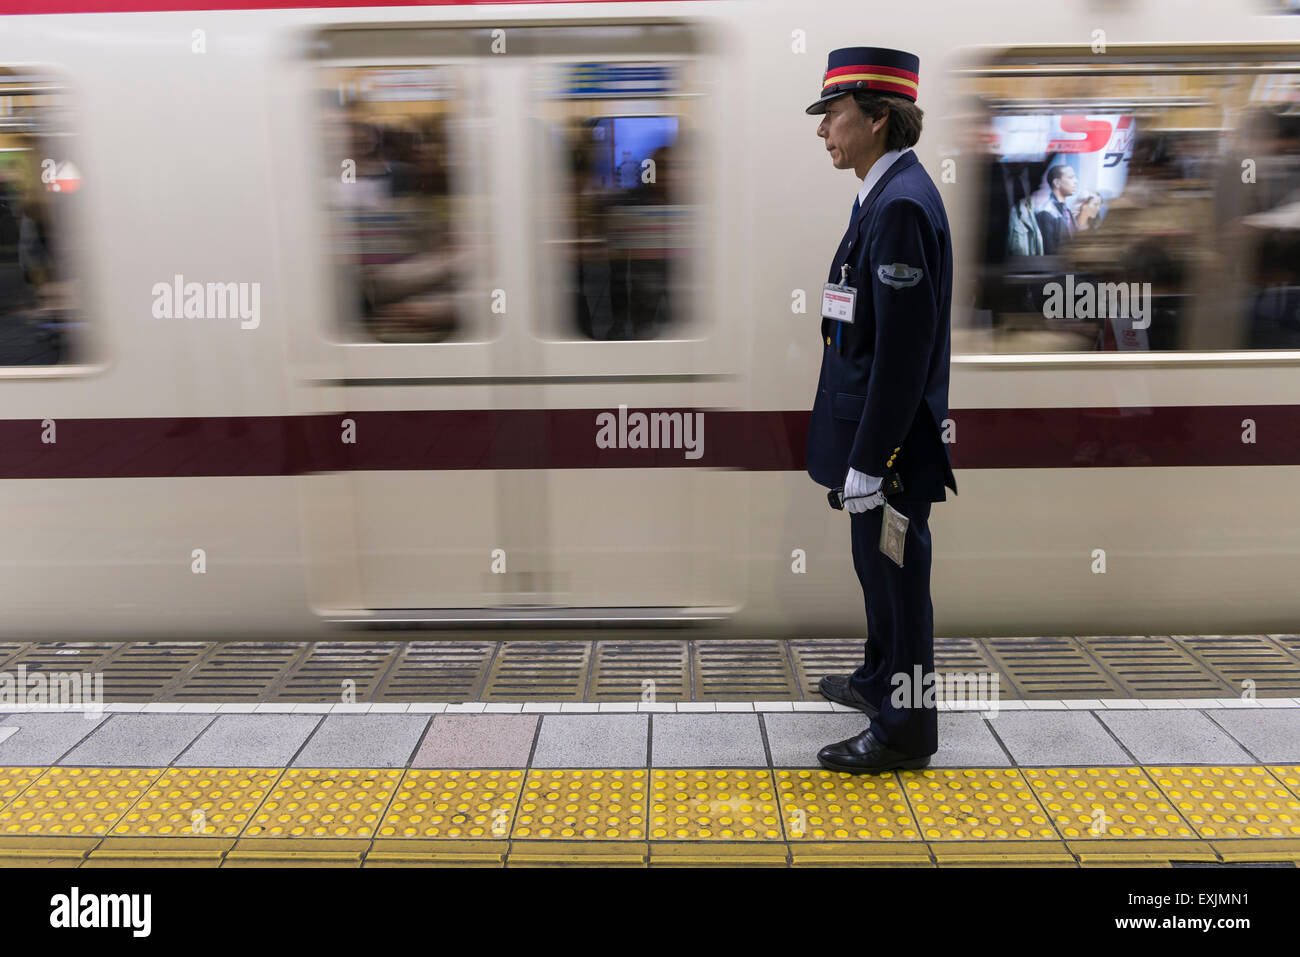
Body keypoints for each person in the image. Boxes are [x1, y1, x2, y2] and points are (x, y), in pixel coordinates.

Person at [805, 46, 957, 773]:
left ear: (879, 118)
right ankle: (876, 680)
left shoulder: (899, 206)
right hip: (876, 440)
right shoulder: (882, 194)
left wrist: (870, 459)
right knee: (878, 574)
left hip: (890, 451)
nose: (823, 130)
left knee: (900, 588)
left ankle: (905, 730)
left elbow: (903, 351)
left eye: (834, 114)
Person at [1035, 162, 1078, 254]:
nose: (1075, 181)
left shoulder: (1067, 210)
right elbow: (1048, 250)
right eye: (1070, 177)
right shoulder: (1046, 212)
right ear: (1057, 183)